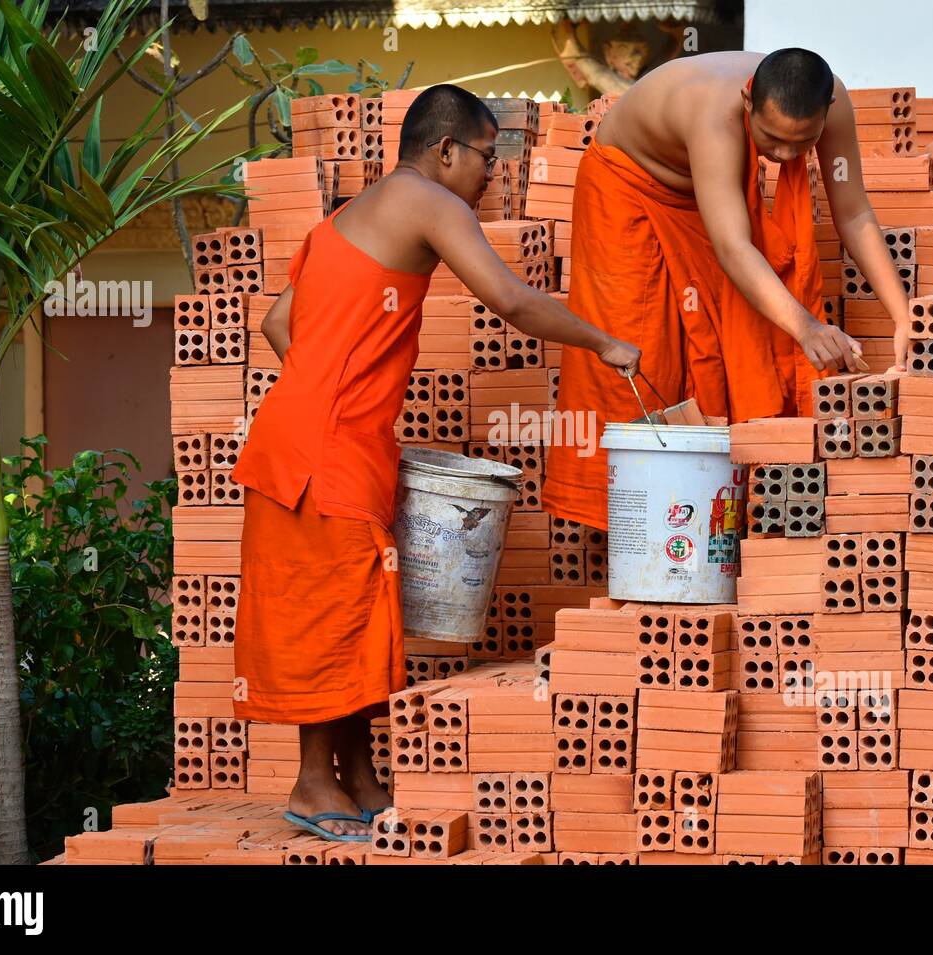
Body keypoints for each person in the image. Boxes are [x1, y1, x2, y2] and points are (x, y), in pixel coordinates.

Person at [230, 84, 641, 840]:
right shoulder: (427, 200)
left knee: (359, 610)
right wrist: (604, 343)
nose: (492, 175)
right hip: (327, 455)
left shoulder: (347, 217)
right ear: (445, 148)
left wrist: (332, 392)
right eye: (489, 156)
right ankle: (315, 782)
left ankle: (359, 778)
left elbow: (278, 322)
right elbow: (511, 301)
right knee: (334, 614)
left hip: (307, 443)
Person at [542, 49, 912, 530]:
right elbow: (734, 248)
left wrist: (903, 316)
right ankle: (629, 532)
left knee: (724, 345)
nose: (784, 156)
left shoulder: (834, 101)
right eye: (772, 139)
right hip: (629, 189)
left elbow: (853, 211)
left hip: (708, 198)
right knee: (643, 358)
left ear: (825, 114)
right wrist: (806, 327)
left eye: (804, 142)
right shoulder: (714, 111)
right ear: (747, 100)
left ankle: (716, 523)